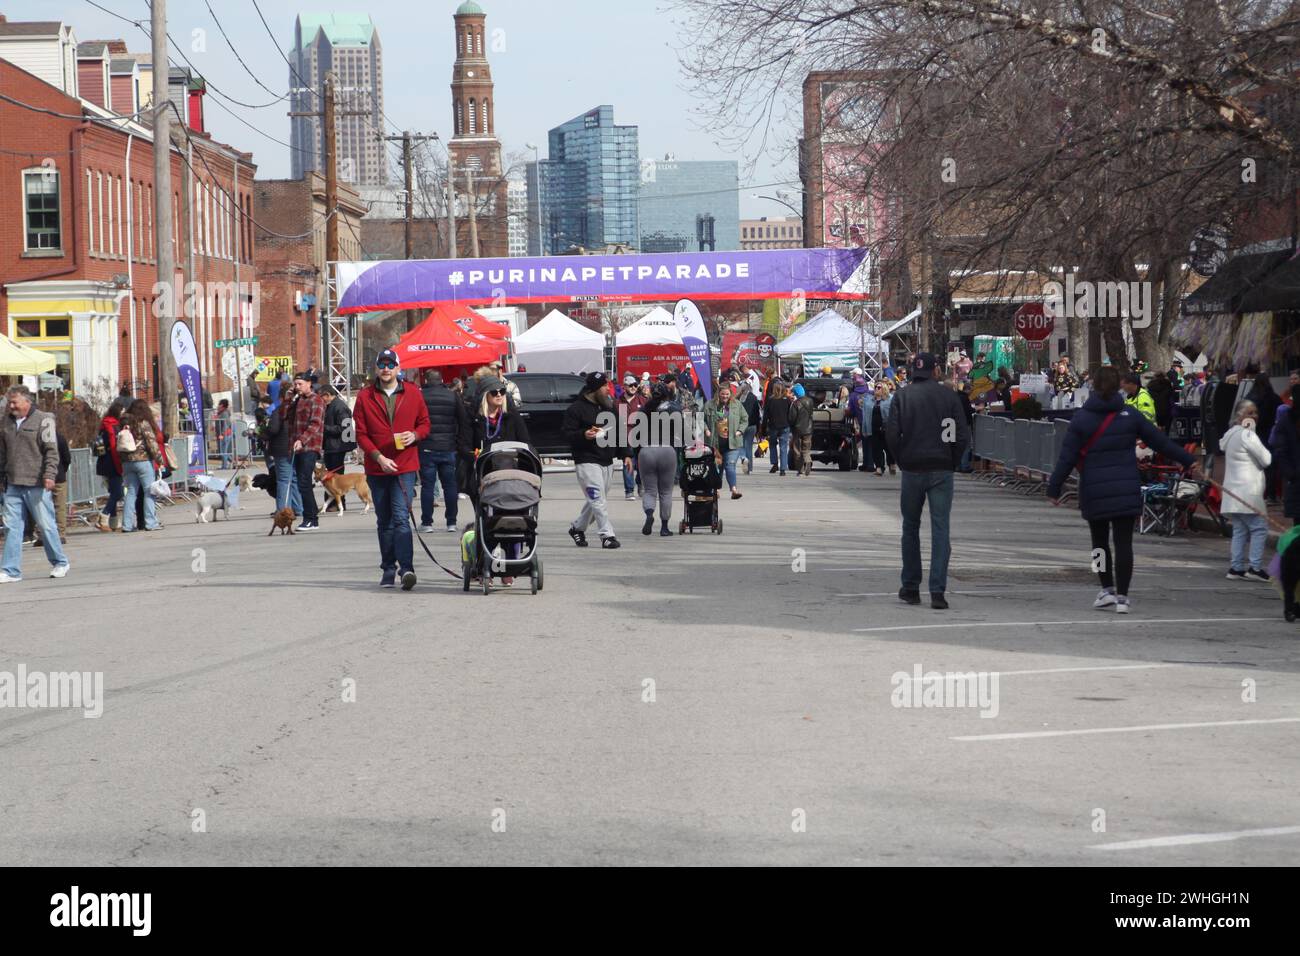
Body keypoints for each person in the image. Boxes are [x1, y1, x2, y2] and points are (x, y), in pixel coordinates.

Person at [1046, 365, 1197, 614]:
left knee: (1099, 543)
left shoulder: (1082, 418)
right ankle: (1124, 597)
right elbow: (1160, 442)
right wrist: (1189, 460)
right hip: (1126, 485)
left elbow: (1067, 457)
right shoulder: (1130, 415)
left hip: (1094, 489)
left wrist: (1054, 487)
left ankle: (1106, 589)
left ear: (1093, 385)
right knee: (1124, 543)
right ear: (1118, 386)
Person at [885, 354, 969, 610]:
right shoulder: (948, 396)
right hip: (941, 466)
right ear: (935, 371)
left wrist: (900, 458)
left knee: (910, 527)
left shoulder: (902, 395)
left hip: (912, 467)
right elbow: (960, 433)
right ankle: (937, 590)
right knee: (940, 529)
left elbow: (891, 433)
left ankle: (910, 586)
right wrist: (952, 460)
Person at [352, 350, 430, 590]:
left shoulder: (413, 393)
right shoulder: (365, 396)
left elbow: (425, 423)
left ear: (398, 368)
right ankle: (388, 568)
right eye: (382, 365)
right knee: (384, 520)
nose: (386, 369)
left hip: (405, 466)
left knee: (401, 519)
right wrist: (378, 456)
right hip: (377, 468)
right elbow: (361, 434)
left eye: (390, 364)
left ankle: (407, 569)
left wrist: (415, 435)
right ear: (376, 369)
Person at [0, 386, 69, 582]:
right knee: (12, 527)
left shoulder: (44, 420)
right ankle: (11, 570)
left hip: (36, 482)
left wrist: (49, 475)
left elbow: (51, 450)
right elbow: (2, 453)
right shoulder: (6, 423)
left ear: (27, 402)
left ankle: (60, 562)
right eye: (9, 402)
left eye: (14, 402)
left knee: (45, 525)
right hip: (13, 483)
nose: (11, 406)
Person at [563, 372, 627, 549]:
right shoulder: (575, 409)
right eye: (604, 386)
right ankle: (607, 536)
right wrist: (583, 434)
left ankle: (577, 528)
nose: (608, 389)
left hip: (606, 460)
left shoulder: (609, 407)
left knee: (597, 499)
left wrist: (627, 454)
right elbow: (567, 434)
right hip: (586, 460)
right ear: (594, 389)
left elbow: (620, 431)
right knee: (598, 500)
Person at [1219, 401, 1272, 582]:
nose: (1254, 416)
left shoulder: (1230, 434)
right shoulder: (1248, 435)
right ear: (1240, 415)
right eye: (1250, 412)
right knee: (1259, 528)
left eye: (1255, 412)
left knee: (1240, 530)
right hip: (1248, 490)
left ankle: (1236, 567)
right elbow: (1266, 459)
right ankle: (1255, 567)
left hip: (1232, 491)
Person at [417, 369, 469, 533]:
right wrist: (459, 442)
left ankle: (427, 523)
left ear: (426, 380)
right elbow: (463, 420)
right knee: (450, 486)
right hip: (448, 447)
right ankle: (451, 522)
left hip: (426, 447)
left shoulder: (420, 396)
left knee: (427, 486)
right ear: (441, 380)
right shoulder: (452, 396)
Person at [634, 383, 683, 536]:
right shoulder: (674, 409)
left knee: (649, 490)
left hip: (646, 450)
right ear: (667, 395)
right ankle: (664, 527)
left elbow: (636, 437)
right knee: (666, 492)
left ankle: (649, 514)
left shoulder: (643, 410)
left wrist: (636, 457)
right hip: (667, 450)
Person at [287, 372, 327, 531]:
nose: (297, 387)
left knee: (304, 482)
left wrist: (302, 440)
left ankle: (311, 518)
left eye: (300, 384)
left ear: (309, 383)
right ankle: (309, 517)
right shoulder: (298, 400)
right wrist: (288, 399)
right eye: (295, 384)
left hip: (310, 446)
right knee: (301, 483)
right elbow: (286, 417)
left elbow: (315, 424)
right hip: (297, 447)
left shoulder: (316, 400)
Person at [119, 399, 164, 533]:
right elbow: (151, 443)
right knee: (149, 492)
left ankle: (127, 525)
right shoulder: (143, 423)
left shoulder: (123, 424)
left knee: (131, 493)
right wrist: (159, 459)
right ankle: (150, 522)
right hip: (143, 460)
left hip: (127, 462)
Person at [703, 382, 749, 500]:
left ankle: (733, 489)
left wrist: (740, 431)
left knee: (730, 466)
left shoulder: (736, 404)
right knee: (716, 468)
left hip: (732, 443)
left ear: (731, 394)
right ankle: (716, 489)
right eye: (722, 394)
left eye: (727, 394)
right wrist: (706, 429)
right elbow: (699, 419)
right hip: (714, 443)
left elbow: (745, 419)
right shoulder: (709, 405)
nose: (725, 396)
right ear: (718, 394)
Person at [321, 386, 355, 513]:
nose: (322, 400)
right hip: (331, 445)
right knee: (328, 476)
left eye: (322, 397)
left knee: (336, 476)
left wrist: (324, 428)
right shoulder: (330, 406)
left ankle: (340, 503)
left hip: (338, 446)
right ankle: (329, 503)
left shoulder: (340, 406)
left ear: (328, 395)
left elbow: (345, 429)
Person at [95, 400, 127, 532]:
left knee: (113, 491)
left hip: (104, 462)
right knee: (118, 492)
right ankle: (103, 516)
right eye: (122, 412)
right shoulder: (113, 427)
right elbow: (114, 446)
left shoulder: (105, 425)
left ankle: (113, 522)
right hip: (112, 462)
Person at [863, 380, 895, 476]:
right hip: (873, 427)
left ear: (884, 389)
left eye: (879, 387)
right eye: (875, 387)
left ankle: (892, 464)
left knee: (889, 448)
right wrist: (864, 429)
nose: (876, 388)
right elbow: (865, 414)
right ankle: (879, 468)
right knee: (876, 449)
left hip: (886, 428)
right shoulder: (869, 400)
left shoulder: (890, 399)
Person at [762, 379, 792, 475]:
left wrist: (763, 429)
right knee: (783, 447)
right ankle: (783, 468)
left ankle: (775, 463)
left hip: (773, 426)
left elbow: (765, 415)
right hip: (785, 425)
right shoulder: (787, 400)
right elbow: (790, 414)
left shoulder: (770, 400)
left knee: (772, 445)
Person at [789, 383, 815, 477]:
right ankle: (808, 461)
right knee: (806, 448)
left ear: (796, 393)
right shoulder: (810, 401)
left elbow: (792, 418)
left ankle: (800, 469)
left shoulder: (795, 403)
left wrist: (791, 427)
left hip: (797, 430)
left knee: (797, 450)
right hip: (808, 429)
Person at [737, 378, 761, 475]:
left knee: (740, 445)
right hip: (752, 425)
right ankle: (749, 468)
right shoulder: (754, 398)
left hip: (741, 425)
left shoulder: (738, 399)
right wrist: (758, 427)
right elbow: (757, 414)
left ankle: (743, 458)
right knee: (749, 447)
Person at [215, 398, 233, 469]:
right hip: (224, 434)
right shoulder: (221, 412)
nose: (217, 406)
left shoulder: (224, 413)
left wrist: (222, 434)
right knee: (223, 451)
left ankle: (225, 466)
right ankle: (232, 462)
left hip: (225, 434)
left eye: (219, 404)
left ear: (221, 405)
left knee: (223, 451)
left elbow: (225, 425)